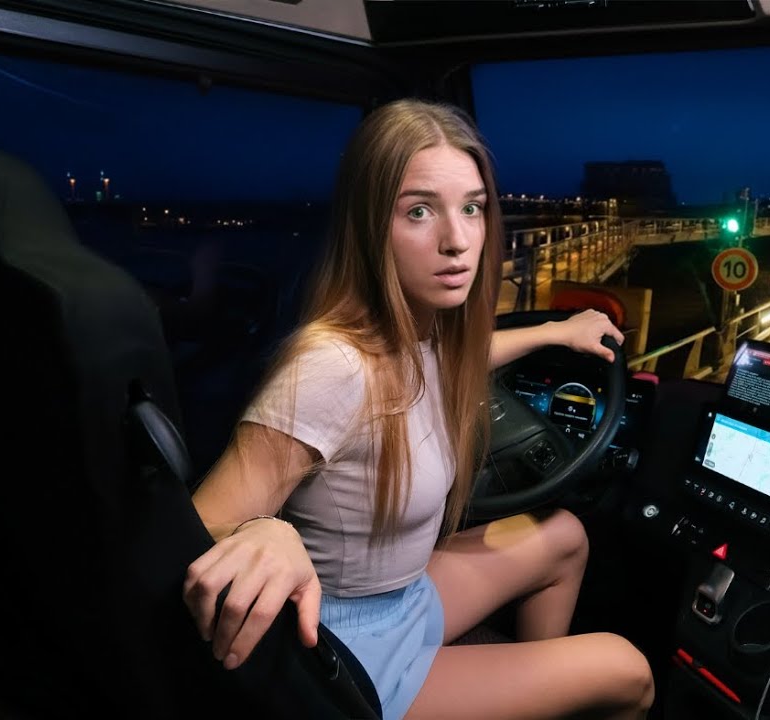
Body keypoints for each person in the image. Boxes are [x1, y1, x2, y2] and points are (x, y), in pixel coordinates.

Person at [182, 98, 654, 719]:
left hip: (402, 599)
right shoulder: (331, 367)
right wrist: (264, 532)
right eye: (419, 211)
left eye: (472, 208)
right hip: (347, 650)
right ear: (371, 225)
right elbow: (193, 534)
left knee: (565, 536)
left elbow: (451, 361)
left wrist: (553, 333)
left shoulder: (416, 332)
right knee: (629, 670)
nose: (457, 241)